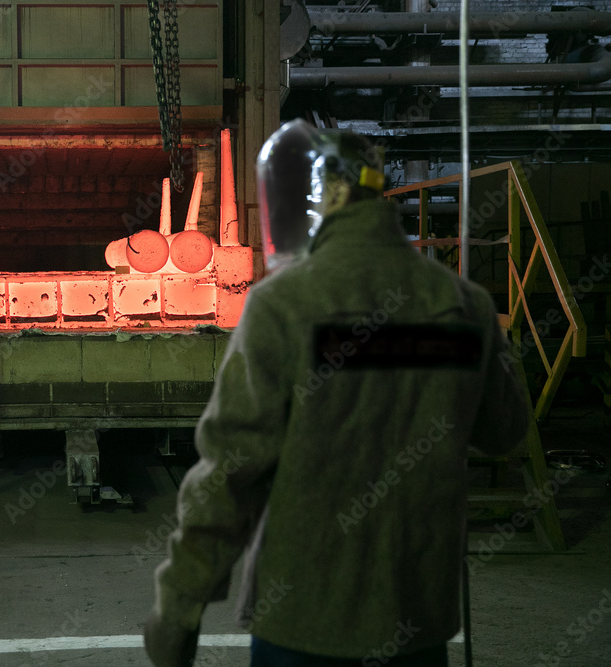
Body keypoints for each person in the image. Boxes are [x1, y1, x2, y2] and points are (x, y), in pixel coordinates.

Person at [143, 119, 531, 666]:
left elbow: (230, 472)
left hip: (303, 621)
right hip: (415, 623)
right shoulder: (461, 302)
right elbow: (505, 431)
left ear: (336, 192)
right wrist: (495, 347)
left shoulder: (284, 304)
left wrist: (180, 604)